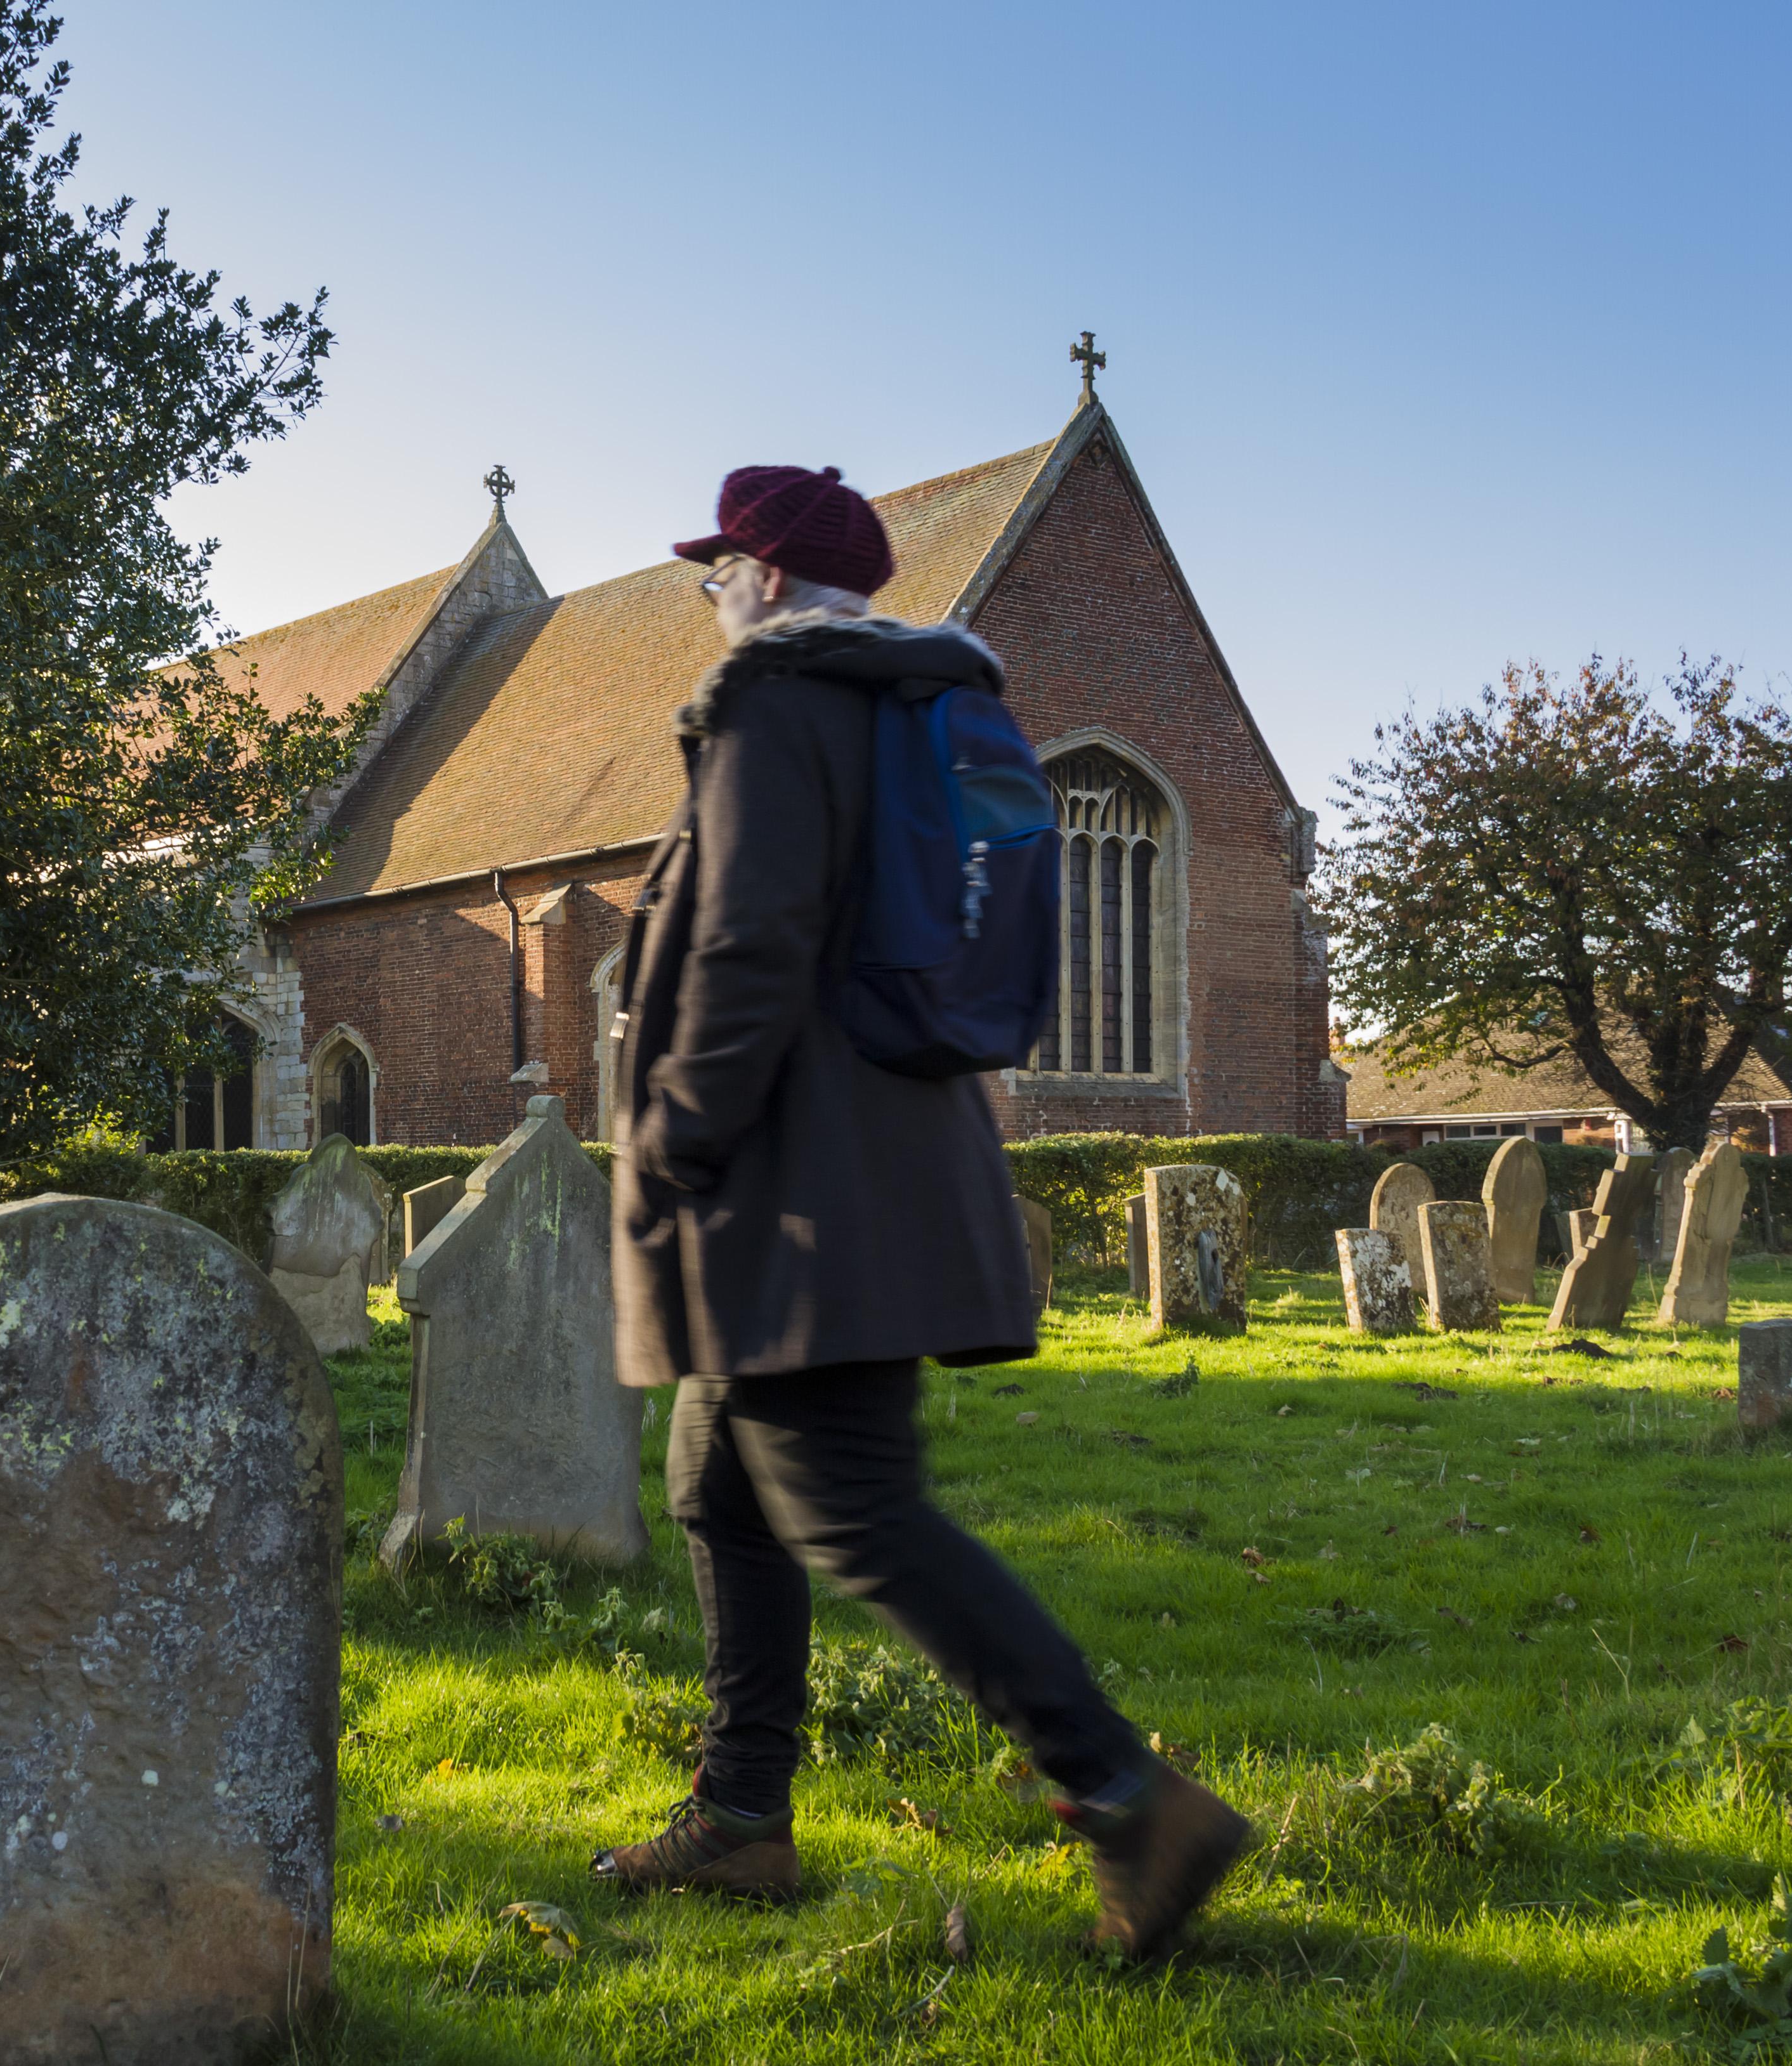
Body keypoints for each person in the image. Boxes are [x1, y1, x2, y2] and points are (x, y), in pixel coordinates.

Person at [590, 463, 1250, 1962]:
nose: (711, 594)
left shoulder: (779, 701)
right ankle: (742, 1818)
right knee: (717, 1484)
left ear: (766, 575)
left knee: (851, 1503)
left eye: (716, 570)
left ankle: (1126, 1795)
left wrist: (677, 1128)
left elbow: (750, 937)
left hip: (802, 1188)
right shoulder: (912, 701)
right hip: (881, 1155)